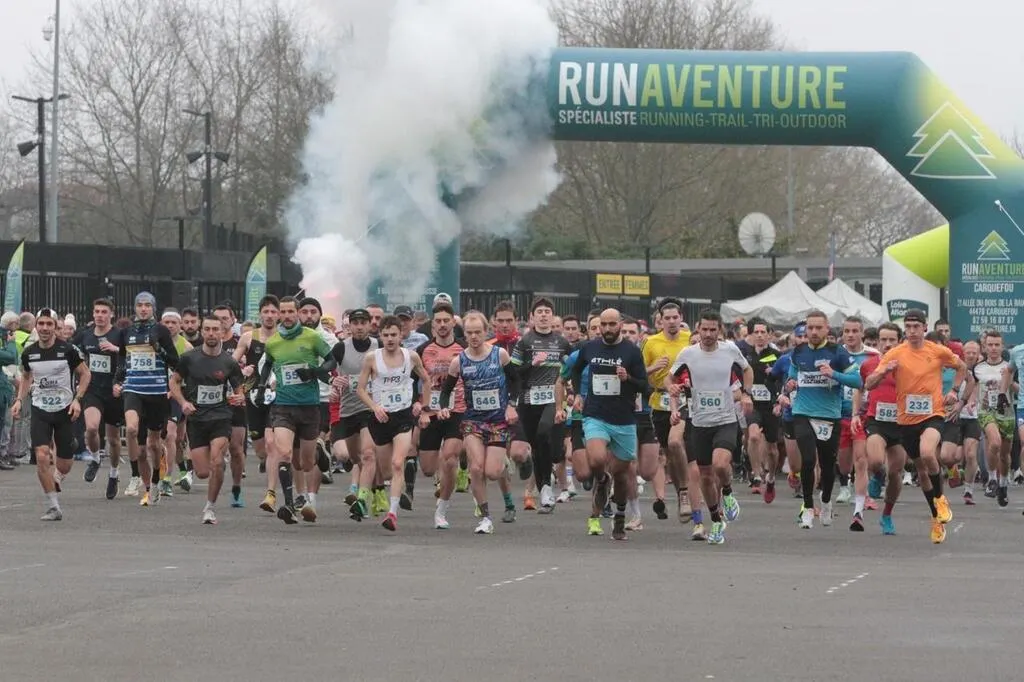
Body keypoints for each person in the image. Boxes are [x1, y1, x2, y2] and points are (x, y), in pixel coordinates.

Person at [864, 309, 963, 544]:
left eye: (916, 327)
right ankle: (936, 518)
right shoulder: (896, 354)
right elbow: (868, 384)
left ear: (925, 328)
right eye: (908, 327)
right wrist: (884, 371)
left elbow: (962, 368)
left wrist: (954, 391)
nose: (912, 331)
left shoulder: (937, 351)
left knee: (929, 454)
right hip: (906, 421)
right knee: (922, 471)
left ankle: (940, 501)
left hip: (933, 415)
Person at [557, 308, 649, 541]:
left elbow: (644, 386)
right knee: (597, 459)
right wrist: (578, 394)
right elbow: (575, 370)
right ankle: (601, 479)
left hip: (624, 419)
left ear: (620, 324)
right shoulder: (590, 347)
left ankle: (619, 516)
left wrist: (628, 378)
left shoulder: (631, 351)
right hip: (595, 415)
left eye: (611, 325)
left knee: (621, 474)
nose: (607, 329)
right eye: (603, 325)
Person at [667, 309, 751, 544]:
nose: (708, 334)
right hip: (699, 422)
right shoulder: (688, 353)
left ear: (720, 330)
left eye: (713, 329)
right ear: (698, 328)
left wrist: (746, 394)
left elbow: (747, 369)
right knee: (704, 476)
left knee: (720, 464)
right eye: (704, 329)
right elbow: (670, 378)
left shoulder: (730, 350)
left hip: (725, 419)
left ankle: (728, 492)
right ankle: (715, 521)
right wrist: (672, 392)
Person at [437, 310, 524, 534]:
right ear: (464, 334)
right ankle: (485, 518)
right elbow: (446, 391)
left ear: (486, 332)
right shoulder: (459, 361)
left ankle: (504, 462)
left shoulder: (500, 355)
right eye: (469, 333)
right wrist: (444, 407)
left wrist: (511, 405)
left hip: (497, 420)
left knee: (492, 472)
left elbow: (515, 381)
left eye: (478, 332)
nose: (474, 337)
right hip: (473, 421)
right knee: (476, 468)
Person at [255, 296, 337, 525]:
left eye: (292, 311)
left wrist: (314, 372)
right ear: (280, 314)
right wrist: (261, 388)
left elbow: (331, 362)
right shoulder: (273, 342)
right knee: (284, 454)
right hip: (283, 406)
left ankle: (321, 452)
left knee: (306, 463)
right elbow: (269, 364)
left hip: (309, 406)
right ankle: (289, 504)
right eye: (284, 312)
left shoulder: (312, 337)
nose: (288, 316)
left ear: (298, 313)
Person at [780, 310, 862, 530]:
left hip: (829, 416)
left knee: (827, 466)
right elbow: (791, 377)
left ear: (827, 329)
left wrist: (834, 374)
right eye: (810, 327)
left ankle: (825, 501)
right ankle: (807, 508)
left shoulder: (838, 352)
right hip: (803, 413)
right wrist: (788, 387)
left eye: (818, 327)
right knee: (808, 460)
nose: (813, 332)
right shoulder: (798, 351)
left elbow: (857, 381)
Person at [354, 315, 432, 531]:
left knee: (398, 463)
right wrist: (374, 407)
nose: (390, 339)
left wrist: (422, 404)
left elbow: (426, 380)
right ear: (380, 335)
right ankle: (389, 492)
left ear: (401, 335)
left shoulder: (411, 357)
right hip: (380, 418)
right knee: (388, 471)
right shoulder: (372, 358)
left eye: (394, 335)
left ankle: (392, 513)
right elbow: (360, 388)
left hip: (403, 417)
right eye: (386, 335)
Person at [15, 308, 91, 520]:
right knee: (41, 456)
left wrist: (78, 399)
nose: (45, 328)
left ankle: (65, 460)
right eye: (41, 324)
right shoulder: (28, 352)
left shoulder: (68, 350)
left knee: (64, 464)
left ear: (56, 326)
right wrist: (20, 400)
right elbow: (27, 377)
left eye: (49, 324)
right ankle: (53, 506)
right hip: (40, 409)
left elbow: (85, 374)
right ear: (36, 326)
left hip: (64, 410)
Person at [169, 315, 246, 524]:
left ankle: (209, 508)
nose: (211, 333)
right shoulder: (189, 358)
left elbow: (239, 389)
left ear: (222, 332)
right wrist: (183, 402)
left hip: (221, 417)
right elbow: (174, 382)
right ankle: (201, 462)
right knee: (203, 472)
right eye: (208, 329)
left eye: (215, 329)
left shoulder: (229, 362)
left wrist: (239, 397)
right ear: (202, 332)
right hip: (197, 418)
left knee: (217, 462)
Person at [113, 292, 180, 506]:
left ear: (153, 308)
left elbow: (175, 362)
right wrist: (117, 380)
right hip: (133, 390)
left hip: (156, 393)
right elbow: (122, 361)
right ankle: (147, 488)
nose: (143, 309)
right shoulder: (126, 333)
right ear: (135, 308)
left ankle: (157, 480)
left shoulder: (161, 331)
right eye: (140, 305)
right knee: (132, 432)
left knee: (153, 445)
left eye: (147, 305)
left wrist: (159, 349)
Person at [74, 298, 124, 499]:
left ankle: (114, 474)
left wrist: (116, 349)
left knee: (113, 439)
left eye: (104, 312)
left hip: (113, 391)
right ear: (93, 314)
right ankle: (95, 458)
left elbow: (132, 356)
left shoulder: (119, 335)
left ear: (111, 314)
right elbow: (70, 353)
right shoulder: (85, 336)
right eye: (97, 312)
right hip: (93, 389)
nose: (100, 315)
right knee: (92, 428)